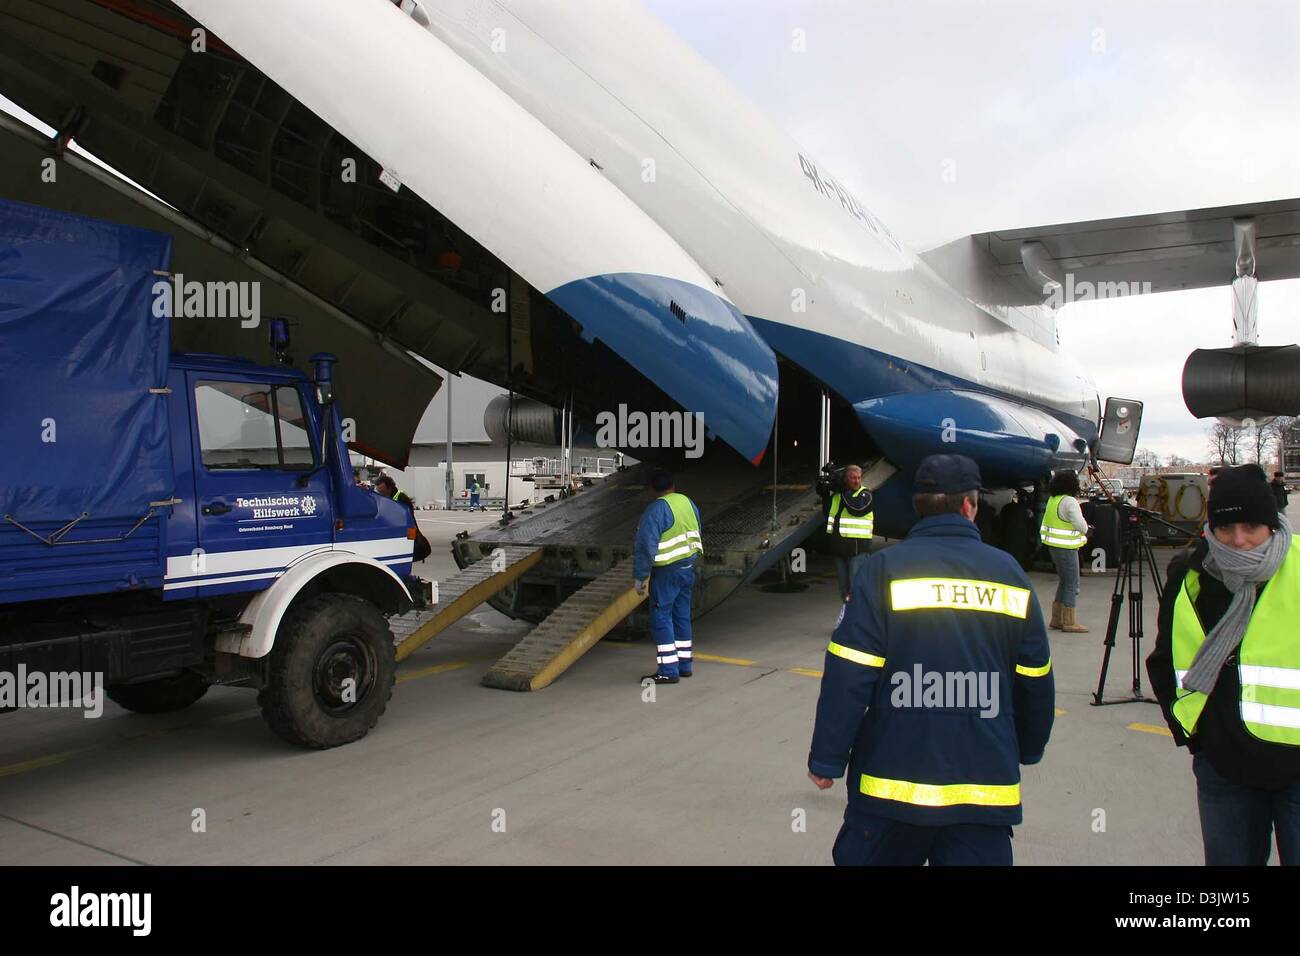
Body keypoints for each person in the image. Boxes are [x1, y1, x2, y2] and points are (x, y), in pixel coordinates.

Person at [808, 454, 1054, 866]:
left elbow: (849, 672)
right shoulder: (1009, 573)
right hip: (984, 787)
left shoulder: (882, 570)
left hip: (891, 790)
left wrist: (827, 757)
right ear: (969, 506)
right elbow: (1034, 675)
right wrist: (1028, 746)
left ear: (917, 505)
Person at [1147, 464, 1299, 865]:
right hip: (1225, 766)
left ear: (1272, 523)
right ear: (1210, 528)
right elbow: (1164, 660)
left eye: (1251, 527)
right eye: (1226, 529)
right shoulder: (1191, 574)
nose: (1239, 541)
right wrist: (1195, 735)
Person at [632, 468, 702, 684]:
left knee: (661, 618)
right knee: (681, 616)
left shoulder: (655, 510)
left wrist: (640, 577)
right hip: (687, 566)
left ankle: (668, 670)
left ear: (653, 489)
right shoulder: (688, 503)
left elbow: (646, 546)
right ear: (673, 485)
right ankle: (684, 665)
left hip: (667, 572)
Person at [1038, 470, 1089, 633]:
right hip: (1067, 548)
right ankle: (1069, 621)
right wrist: (1087, 529)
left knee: (1064, 581)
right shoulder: (1070, 501)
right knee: (1072, 583)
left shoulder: (1053, 500)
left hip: (1054, 547)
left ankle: (1057, 618)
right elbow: (1081, 526)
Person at [822, 464, 874, 602]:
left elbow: (855, 508)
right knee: (844, 590)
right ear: (846, 479)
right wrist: (824, 492)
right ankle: (847, 615)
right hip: (840, 549)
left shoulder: (865, 494)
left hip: (858, 550)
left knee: (856, 588)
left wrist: (845, 490)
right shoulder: (838, 496)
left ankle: (858, 617)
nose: (857, 481)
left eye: (858, 478)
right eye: (853, 478)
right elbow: (828, 514)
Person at [374, 475, 432, 562]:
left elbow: (407, 520)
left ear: (389, 488)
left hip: (406, 534)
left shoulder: (401, 499)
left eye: (382, 492)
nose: (381, 495)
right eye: (379, 492)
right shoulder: (388, 498)